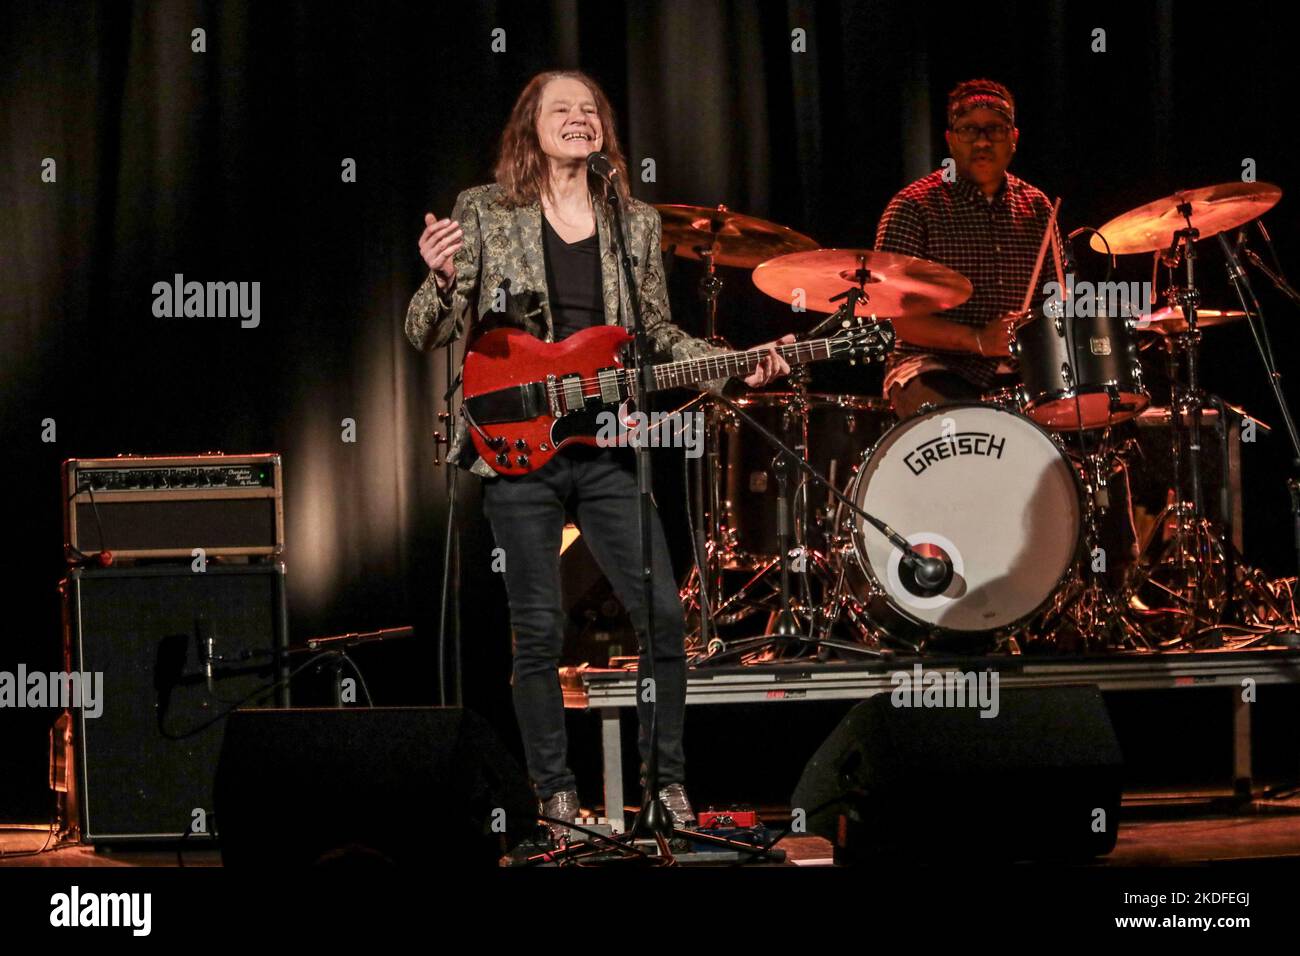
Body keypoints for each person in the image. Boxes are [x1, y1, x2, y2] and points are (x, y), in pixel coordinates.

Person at [405, 70, 791, 845]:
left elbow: (657, 337)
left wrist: (737, 361)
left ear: (604, 131)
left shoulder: (633, 220)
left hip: (611, 441)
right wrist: (442, 278)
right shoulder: (485, 209)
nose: (578, 119)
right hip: (517, 443)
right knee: (539, 630)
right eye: (561, 109)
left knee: (661, 618)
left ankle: (667, 793)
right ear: (531, 126)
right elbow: (425, 331)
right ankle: (554, 801)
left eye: (590, 110)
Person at [874, 78, 1060, 419]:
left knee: (1092, 424)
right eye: (968, 130)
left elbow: (1056, 301)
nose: (983, 141)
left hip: (1020, 373)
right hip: (931, 365)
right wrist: (976, 339)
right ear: (950, 140)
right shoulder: (913, 206)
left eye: (995, 129)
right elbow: (896, 319)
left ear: (1014, 138)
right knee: (967, 435)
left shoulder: (1038, 207)